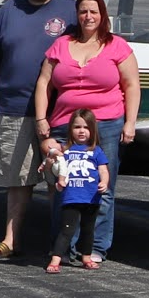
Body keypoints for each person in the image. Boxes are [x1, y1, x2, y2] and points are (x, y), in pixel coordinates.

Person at [0, 0, 79, 258]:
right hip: (13, 108)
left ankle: (59, 246)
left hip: (58, 111)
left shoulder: (70, 10)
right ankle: (10, 241)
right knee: (17, 180)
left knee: (57, 179)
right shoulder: (8, 10)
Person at [33, 0, 140, 268]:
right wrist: (41, 119)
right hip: (63, 125)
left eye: (94, 11)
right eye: (83, 11)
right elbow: (44, 83)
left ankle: (95, 248)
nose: (88, 16)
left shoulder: (117, 46)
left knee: (101, 188)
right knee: (61, 186)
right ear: (77, 15)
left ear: (103, 15)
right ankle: (62, 246)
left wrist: (129, 123)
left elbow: (131, 85)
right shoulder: (61, 45)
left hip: (105, 125)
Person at [44, 109, 111, 274]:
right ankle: (55, 260)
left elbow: (103, 170)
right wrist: (49, 163)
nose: (82, 131)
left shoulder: (96, 151)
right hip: (71, 198)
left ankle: (86, 257)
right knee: (67, 230)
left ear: (93, 130)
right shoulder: (65, 150)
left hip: (91, 198)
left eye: (86, 127)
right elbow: (54, 164)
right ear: (70, 130)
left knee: (88, 230)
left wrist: (104, 182)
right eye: (77, 127)